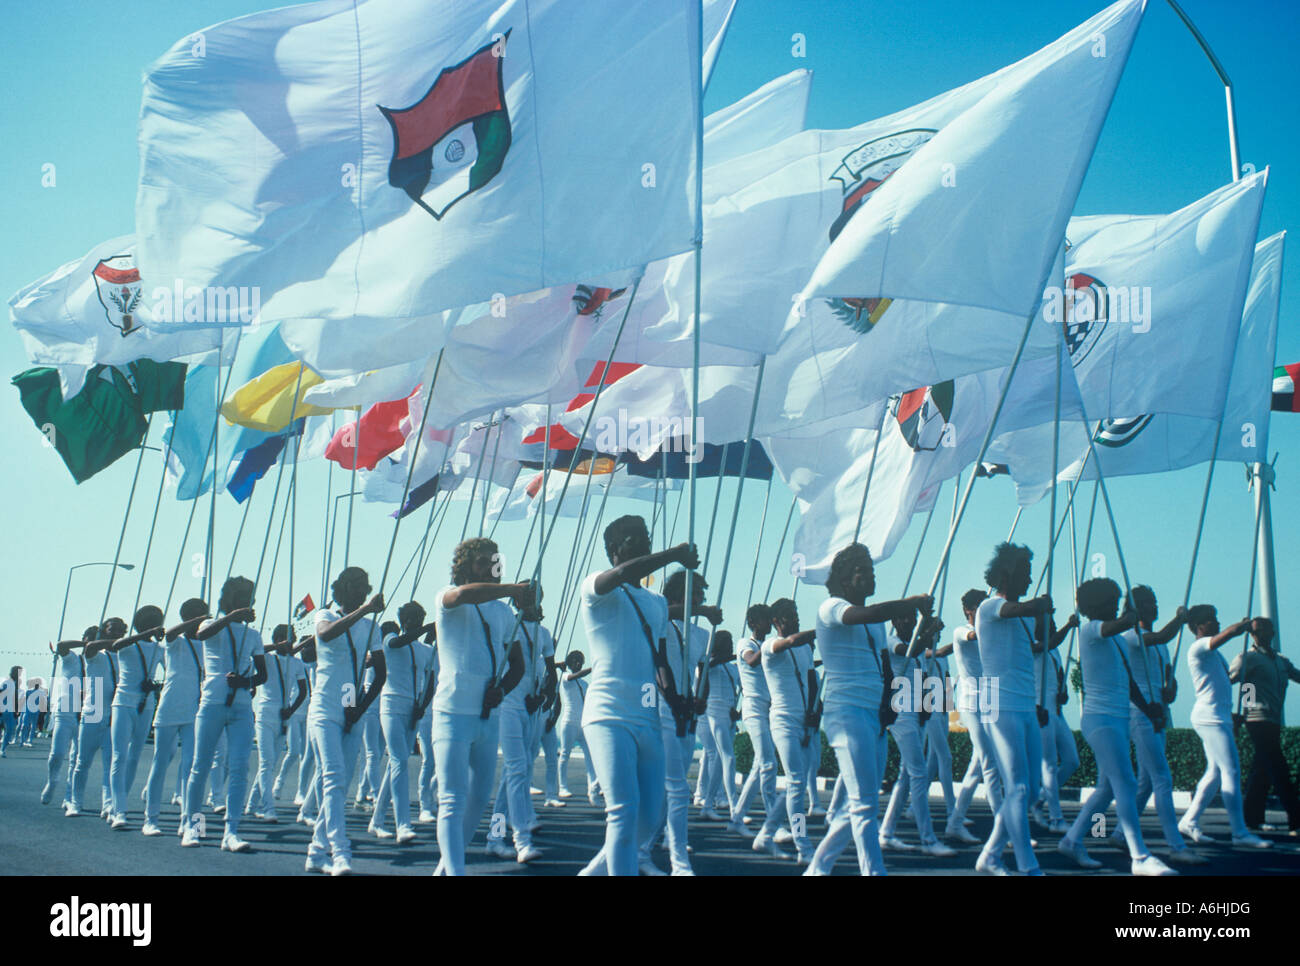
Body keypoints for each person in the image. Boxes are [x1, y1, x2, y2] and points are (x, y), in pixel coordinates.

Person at [804, 543, 933, 876]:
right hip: (845, 714)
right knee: (864, 805)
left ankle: (817, 870)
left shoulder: (876, 624)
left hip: (873, 715)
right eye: (864, 571)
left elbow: (886, 667)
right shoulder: (832, 607)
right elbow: (866, 614)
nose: (872, 576)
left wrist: (888, 706)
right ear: (846, 579)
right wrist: (909, 603)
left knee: (860, 804)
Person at [576, 516, 694, 876]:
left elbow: (658, 661)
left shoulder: (657, 602)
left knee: (649, 816)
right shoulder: (596, 587)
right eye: (634, 539)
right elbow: (624, 573)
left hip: (645, 714)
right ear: (615, 551)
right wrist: (673, 554)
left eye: (646, 536)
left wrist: (675, 700)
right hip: (607, 714)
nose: (644, 543)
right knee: (623, 812)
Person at [1055, 578, 1175, 875]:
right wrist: (1129, 618)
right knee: (1127, 782)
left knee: (1107, 787)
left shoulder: (1119, 641)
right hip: (1100, 720)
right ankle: (1140, 856)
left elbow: (1130, 683)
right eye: (1111, 601)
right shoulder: (1091, 631)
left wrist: (1150, 709)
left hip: (1120, 718)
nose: (1114, 606)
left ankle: (1072, 840)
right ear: (1095, 606)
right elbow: (1112, 626)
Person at [430, 538, 528, 875]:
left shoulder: (502, 610)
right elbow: (465, 594)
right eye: (483, 561)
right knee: (452, 799)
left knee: (479, 798)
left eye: (494, 560)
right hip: (453, 711)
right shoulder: (448, 597)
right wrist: (513, 588)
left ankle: (447, 867)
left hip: (489, 716)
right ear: (465, 565)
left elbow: (518, 665)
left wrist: (502, 689)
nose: (491, 566)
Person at [1112, 586, 1204, 864]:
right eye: (1149, 604)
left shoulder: (1162, 645)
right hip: (1139, 713)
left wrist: (1171, 691)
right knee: (1162, 777)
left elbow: (1168, 679)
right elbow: (1162, 634)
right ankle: (1176, 846)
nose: (1155, 607)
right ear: (1136, 609)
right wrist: (1180, 618)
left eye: (1155, 602)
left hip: (1159, 711)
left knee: (1147, 782)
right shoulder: (1130, 637)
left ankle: (1118, 833)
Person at [304, 567, 386, 875]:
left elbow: (381, 674)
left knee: (338, 784)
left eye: (366, 588)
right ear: (343, 589)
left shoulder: (372, 627)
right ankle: (340, 852)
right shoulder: (325, 613)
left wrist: (360, 708)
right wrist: (365, 610)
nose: (362, 593)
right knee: (334, 777)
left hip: (352, 710)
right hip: (324, 708)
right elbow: (326, 634)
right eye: (358, 588)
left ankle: (315, 851)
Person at [974, 543, 1047, 875]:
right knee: (1015, 786)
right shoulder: (989, 607)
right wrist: (1037, 606)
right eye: (1025, 572)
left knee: (1030, 789)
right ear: (1006, 574)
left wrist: (1051, 622)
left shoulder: (1024, 617)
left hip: (1024, 702)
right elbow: (1011, 611)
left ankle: (990, 853)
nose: (1030, 578)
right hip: (997, 701)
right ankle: (1027, 866)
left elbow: (1034, 646)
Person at [181, 578, 266, 852]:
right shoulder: (210, 625)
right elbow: (201, 635)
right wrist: (231, 617)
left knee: (240, 767)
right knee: (200, 766)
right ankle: (193, 827)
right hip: (213, 703)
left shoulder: (253, 636)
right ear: (229, 600)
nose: (246, 601)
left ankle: (232, 832)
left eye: (248, 597)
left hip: (241, 707)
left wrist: (246, 682)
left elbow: (262, 674)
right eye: (240, 596)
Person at [1179, 606, 1271, 849]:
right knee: (1231, 771)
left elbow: (1215, 688)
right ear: (1200, 627)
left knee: (1215, 773)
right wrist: (1243, 626)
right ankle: (1239, 832)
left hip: (1218, 715)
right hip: (1209, 718)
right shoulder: (1198, 647)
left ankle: (1189, 821)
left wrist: (1232, 716)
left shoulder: (1215, 656)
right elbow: (1229, 634)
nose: (1217, 623)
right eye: (1212, 621)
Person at [877, 610, 956, 857]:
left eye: (912, 619)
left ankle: (886, 832)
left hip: (916, 713)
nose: (908, 622)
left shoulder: (919, 648)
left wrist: (925, 706)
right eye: (903, 618)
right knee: (919, 774)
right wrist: (929, 633)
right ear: (894, 621)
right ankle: (928, 839)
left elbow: (921, 676)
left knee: (907, 776)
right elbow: (907, 651)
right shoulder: (893, 642)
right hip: (900, 714)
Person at [484, 593, 551, 863]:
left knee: (511, 777)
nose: (534, 602)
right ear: (517, 601)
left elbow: (549, 672)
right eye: (529, 597)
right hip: (508, 705)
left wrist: (543, 696)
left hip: (531, 706)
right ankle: (522, 840)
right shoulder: (508, 625)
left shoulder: (543, 632)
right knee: (517, 769)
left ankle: (494, 837)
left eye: (538, 598)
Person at [370, 603, 437, 843]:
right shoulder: (390, 639)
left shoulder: (426, 650)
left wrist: (422, 705)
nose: (415, 621)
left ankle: (377, 821)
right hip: (390, 705)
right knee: (399, 760)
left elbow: (430, 682)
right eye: (410, 617)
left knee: (395, 765)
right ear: (402, 619)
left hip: (413, 708)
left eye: (419, 617)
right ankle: (403, 826)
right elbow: (397, 643)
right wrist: (426, 628)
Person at [762, 596, 820, 865]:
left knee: (795, 785)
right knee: (796, 781)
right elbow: (790, 642)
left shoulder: (805, 648)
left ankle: (765, 835)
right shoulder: (769, 646)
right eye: (788, 616)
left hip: (804, 720)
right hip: (783, 721)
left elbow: (811, 679)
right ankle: (803, 846)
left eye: (796, 614)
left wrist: (813, 713)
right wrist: (824, 629)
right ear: (776, 621)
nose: (795, 620)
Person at [141, 599, 206, 836]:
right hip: (169, 707)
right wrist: (195, 620)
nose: (201, 619)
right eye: (196, 615)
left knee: (191, 765)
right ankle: (151, 820)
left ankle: (188, 822)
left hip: (194, 709)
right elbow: (169, 633)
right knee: (160, 762)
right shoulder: (175, 641)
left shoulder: (208, 642)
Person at [1230, 617, 1300, 833]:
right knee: (1279, 769)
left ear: (1273, 632)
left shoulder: (1281, 661)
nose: (1261, 635)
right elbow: (1231, 682)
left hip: (1274, 719)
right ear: (1252, 635)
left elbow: (1297, 675)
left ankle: (1251, 818)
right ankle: (1296, 819)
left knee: (1261, 770)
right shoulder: (1247, 658)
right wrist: (1240, 709)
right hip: (1257, 720)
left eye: (1265, 631)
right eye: (1256, 632)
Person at [732, 603, 788, 857]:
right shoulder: (747, 643)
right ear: (754, 622)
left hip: (768, 707)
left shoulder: (767, 646)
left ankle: (736, 818)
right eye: (766, 620)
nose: (769, 624)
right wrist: (769, 647)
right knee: (768, 765)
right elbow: (751, 662)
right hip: (753, 709)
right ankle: (771, 825)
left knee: (758, 766)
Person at [946, 590, 1001, 845]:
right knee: (989, 762)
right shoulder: (961, 631)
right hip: (970, 704)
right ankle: (1005, 827)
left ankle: (955, 823)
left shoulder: (990, 635)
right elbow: (974, 635)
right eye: (980, 608)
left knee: (978, 765)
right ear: (969, 611)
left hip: (990, 701)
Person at [104, 606, 166, 829]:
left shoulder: (160, 649)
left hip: (145, 704)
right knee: (119, 756)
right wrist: (144, 633)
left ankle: (119, 804)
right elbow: (116, 645)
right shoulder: (128, 644)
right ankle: (118, 809)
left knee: (134, 756)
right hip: (123, 702)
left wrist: (155, 685)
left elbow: (170, 674)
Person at [247, 624, 308, 823]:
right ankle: (268, 808)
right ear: (276, 639)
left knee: (270, 764)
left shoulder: (297, 664)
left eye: (292, 638)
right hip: (265, 714)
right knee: (266, 762)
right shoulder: (268, 658)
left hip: (284, 715)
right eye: (284, 638)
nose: (290, 642)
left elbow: (303, 690)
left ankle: (251, 805)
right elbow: (254, 651)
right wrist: (276, 646)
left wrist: (291, 709)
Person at [701, 629, 751, 839]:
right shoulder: (706, 663)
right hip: (713, 713)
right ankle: (734, 808)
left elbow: (742, 687)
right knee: (728, 758)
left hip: (728, 715)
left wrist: (738, 712)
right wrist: (725, 657)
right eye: (726, 641)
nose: (730, 645)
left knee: (722, 761)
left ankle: (707, 805)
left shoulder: (731, 669)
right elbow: (704, 668)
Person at [1033, 612, 1080, 833]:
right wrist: (1069, 625)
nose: (1052, 622)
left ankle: (1039, 799)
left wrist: (1064, 694)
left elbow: (1058, 681)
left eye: (1053, 618)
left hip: (1057, 712)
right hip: (1040, 711)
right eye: (1047, 618)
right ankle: (1056, 818)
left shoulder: (1055, 650)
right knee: (1049, 766)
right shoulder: (1032, 646)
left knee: (1072, 761)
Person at [67, 623, 119, 818]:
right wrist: (115, 641)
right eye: (112, 629)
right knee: (82, 762)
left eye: (121, 630)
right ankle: (75, 802)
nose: (117, 633)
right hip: (93, 711)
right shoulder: (96, 654)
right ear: (103, 633)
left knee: (110, 763)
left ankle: (108, 805)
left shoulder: (125, 654)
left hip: (114, 713)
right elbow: (89, 648)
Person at [41, 627, 96, 806]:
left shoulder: (101, 662)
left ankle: (69, 795)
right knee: (57, 754)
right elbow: (61, 646)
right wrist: (86, 643)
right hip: (65, 710)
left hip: (88, 712)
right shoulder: (72, 658)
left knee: (78, 758)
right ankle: (52, 780)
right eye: (91, 638)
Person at [556, 651, 599, 803]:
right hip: (569, 722)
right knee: (565, 754)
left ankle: (592, 787)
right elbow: (577, 675)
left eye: (580, 661)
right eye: (575, 661)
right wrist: (594, 667)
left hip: (582, 723)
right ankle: (562, 787)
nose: (578, 663)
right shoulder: (565, 677)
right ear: (569, 663)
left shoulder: (585, 684)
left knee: (590, 756)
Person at [0, 665, 22, 755]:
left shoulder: (14, 683)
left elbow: (14, 698)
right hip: (2, 710)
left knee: (9, 731)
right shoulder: (7, 682)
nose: (19, 675)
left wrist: (16, 710)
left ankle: (2, 749)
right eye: (18, 673)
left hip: (10, 711)